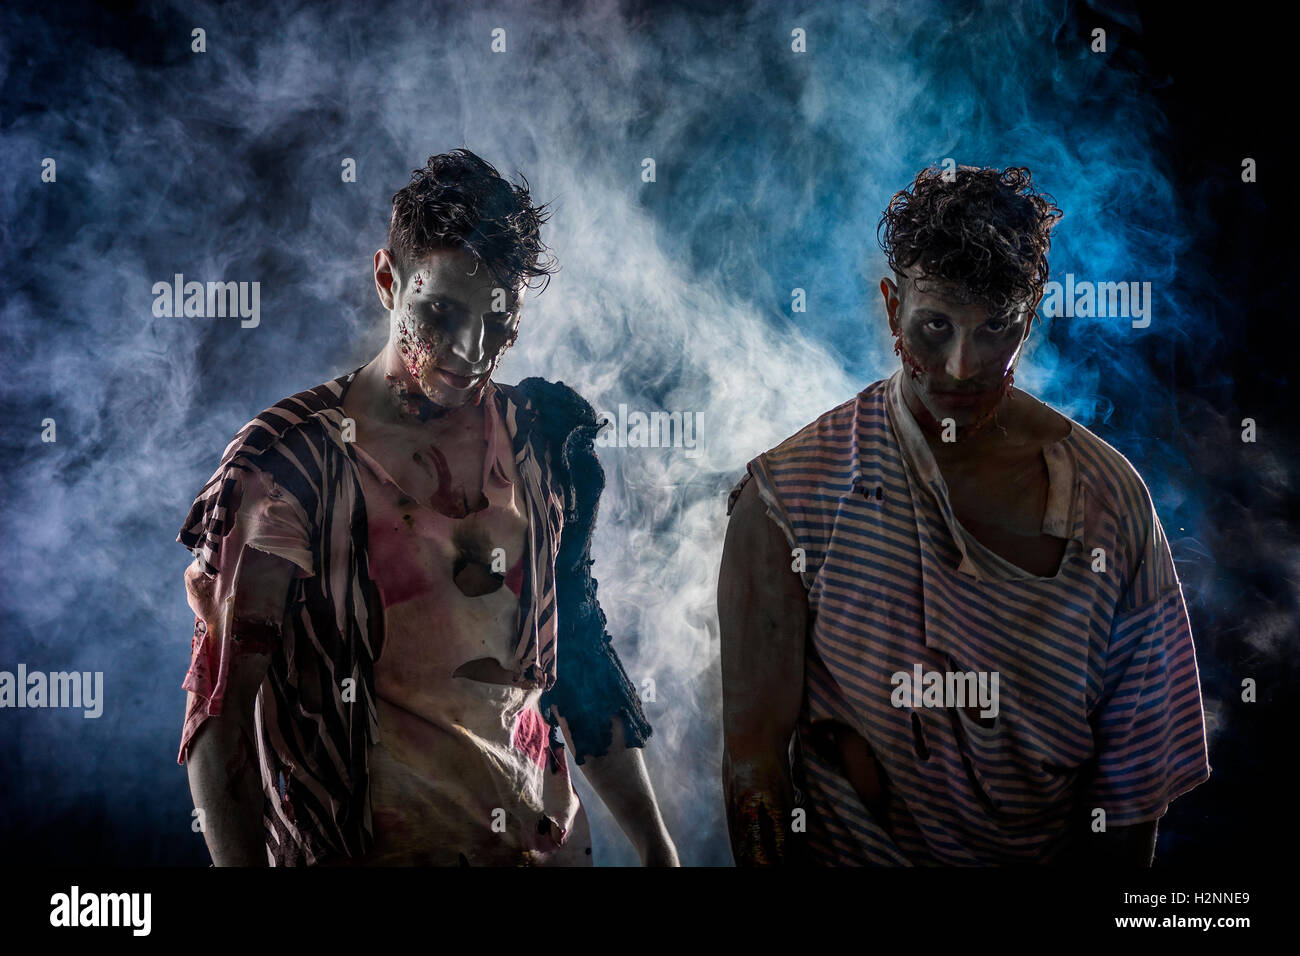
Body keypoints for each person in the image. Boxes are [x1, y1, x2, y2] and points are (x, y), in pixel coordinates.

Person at [177, 148, 678, 867]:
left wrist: (659, 850)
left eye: (497, 321)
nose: (469, 351)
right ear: (388, 280)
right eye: (439, 313)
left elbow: (579, 659)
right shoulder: (288, 467)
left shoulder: (545, 441)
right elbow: (220, 719)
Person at [719, 165, 1210, 866]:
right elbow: (754, 771)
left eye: (993, 330)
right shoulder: (789, 500)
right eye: (935, 326)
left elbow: (1130, 796)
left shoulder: (1110, 503)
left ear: (1030, 320)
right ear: (893, 308)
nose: (958, 366)